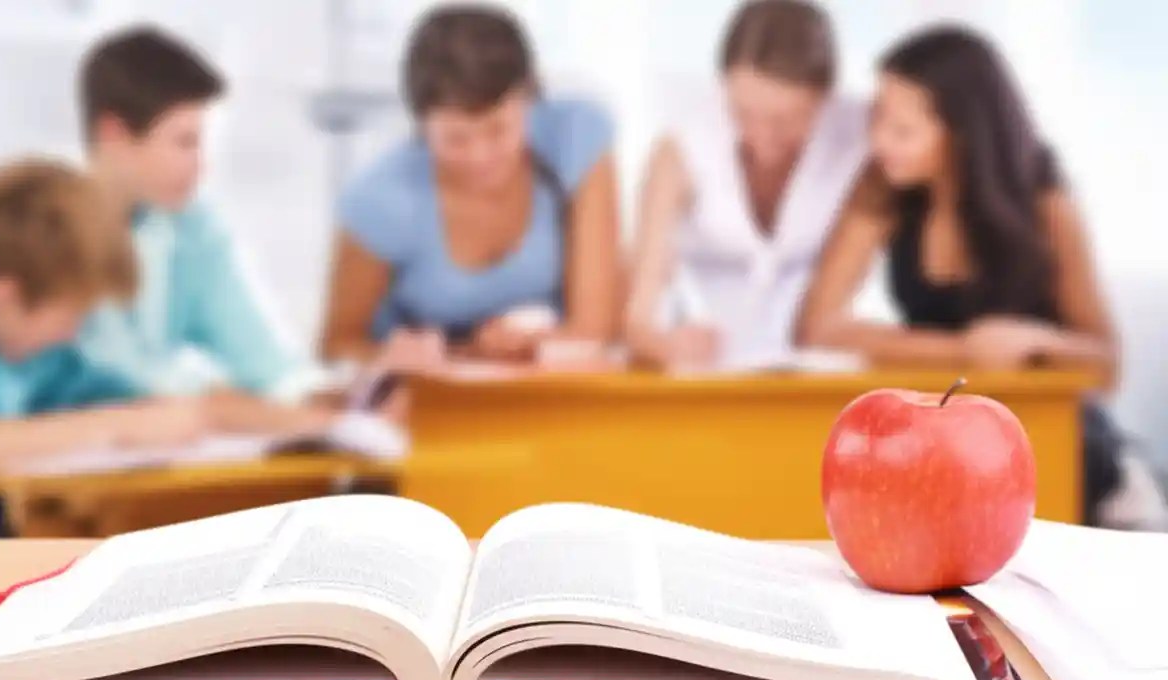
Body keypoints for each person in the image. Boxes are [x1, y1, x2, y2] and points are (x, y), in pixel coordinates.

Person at [794, 27, 1136, 522]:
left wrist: (1036, 341)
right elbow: (819, 327)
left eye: (903, 129)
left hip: (1045, 437)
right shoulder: (885, 184)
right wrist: (969, 354)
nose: (880, 141)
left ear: (960, 135)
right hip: (937, 436)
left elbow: (1106, 364)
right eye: (878, 120)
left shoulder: (1044, 200)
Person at [0, 161, 204, 537]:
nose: (72, 334)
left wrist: (149, 411)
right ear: (5, 299)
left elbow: (93, 391)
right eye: (72, 315)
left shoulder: (5, 346)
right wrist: (114, 426)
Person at [322, 3, 621, 366]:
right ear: (421, 125)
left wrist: (531, 350)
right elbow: (335, 348)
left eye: (499, 130)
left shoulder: (574, 137)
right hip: (429, 400)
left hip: (554, 387)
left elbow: (594, 328)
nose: (480, 157)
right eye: (456, 140)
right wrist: (464, 354)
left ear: (529, 98)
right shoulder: (382, 199)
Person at [77, 26, 334, 401]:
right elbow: (111, 376)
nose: (200, 167)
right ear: (113, 133)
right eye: (184, 142)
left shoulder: (193, 227)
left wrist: (343, 398)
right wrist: (215, 396)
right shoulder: (44, 231)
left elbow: (266, 362)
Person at [626, 0, 868, 369]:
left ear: (825, 98)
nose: (761, 139)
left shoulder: (860, 135)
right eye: (742, 113)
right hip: (708, 377)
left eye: (785, 120)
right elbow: (638, 317)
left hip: (822, 374)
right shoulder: (682, 146)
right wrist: (665, 344)